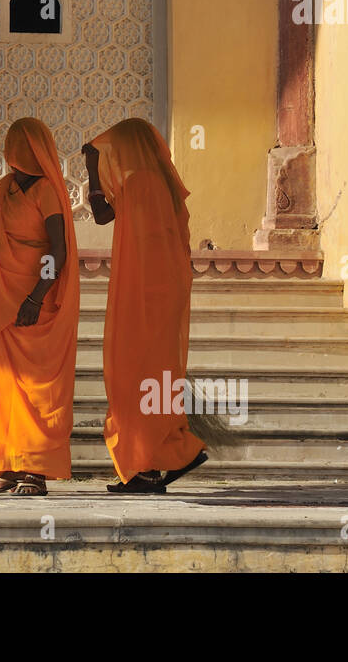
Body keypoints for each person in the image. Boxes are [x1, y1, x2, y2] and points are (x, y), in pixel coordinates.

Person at [0, 117, 80, 496]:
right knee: (0, 384)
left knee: (35, 388)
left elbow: (58, 251)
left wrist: (36, 297)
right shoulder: (4, 189)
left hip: (32, 303)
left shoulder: (48, 192)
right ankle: (7, 464)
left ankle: (35, 470)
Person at [83, 118, 208, 493]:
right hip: (162, 292)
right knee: (155, 375)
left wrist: (91, 170)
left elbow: (101, 214)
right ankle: (165, 455)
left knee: (131, 375)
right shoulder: (161, 182)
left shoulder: (138, 183)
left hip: (143, 295)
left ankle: (155, 463)